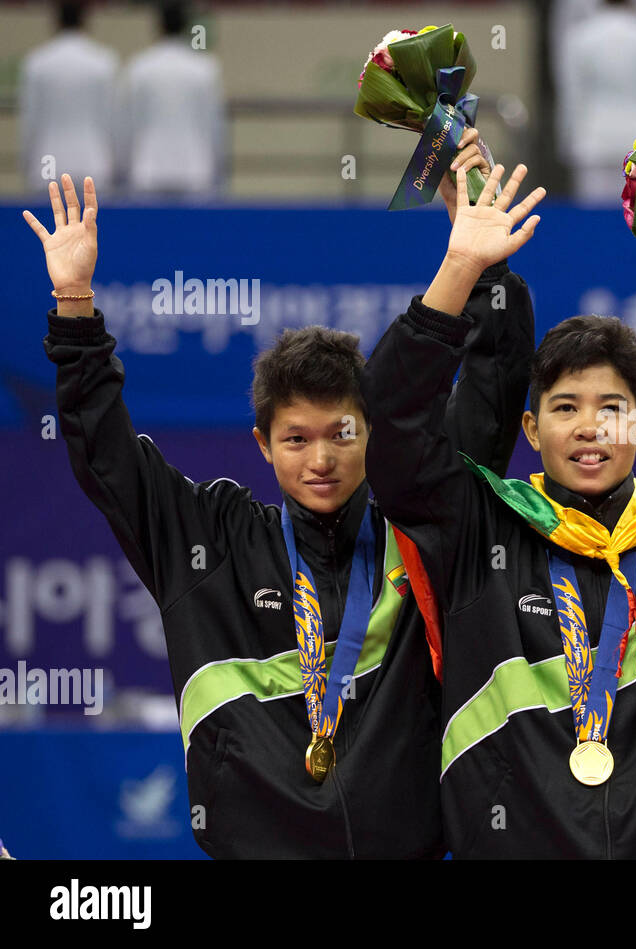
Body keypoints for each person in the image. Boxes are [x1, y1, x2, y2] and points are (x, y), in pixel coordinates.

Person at [24, 129, 532, 859]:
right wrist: (74, 303)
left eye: (341, 434)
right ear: (263, 444)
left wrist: (485, 264)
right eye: (296, 439)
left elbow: (491, 390)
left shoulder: (424, 527)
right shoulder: (212, 543)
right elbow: (106, 457)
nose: (321, 459)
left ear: (371, 436)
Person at [362, 168, 636, 857]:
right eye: (566, 408)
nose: (590, 427)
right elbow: (392, 434)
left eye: (612, 409)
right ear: (533, 430)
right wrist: (460, 270)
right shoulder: (480, 526)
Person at [553, 0, 636, 204]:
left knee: (593, 218)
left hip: (591, 139)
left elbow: (572, 96)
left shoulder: (578, 37)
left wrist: (567, 140)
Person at [118, 1, 225, 196]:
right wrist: (218, 172)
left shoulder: (139, 68)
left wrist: (123, 170)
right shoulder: (205, 69)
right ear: (186, 27)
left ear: (159, 27)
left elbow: (128, 125)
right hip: (195, 171)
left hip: (148, 171)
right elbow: (214, 126)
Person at [18, 2, 119, 193]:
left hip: (47, 164)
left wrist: (26, 162)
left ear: (55, 21)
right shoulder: (102, 62)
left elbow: (30, 120)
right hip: (92, 164)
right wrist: (115, 164)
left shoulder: (37, 62)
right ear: (85, 21)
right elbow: (111, 119)